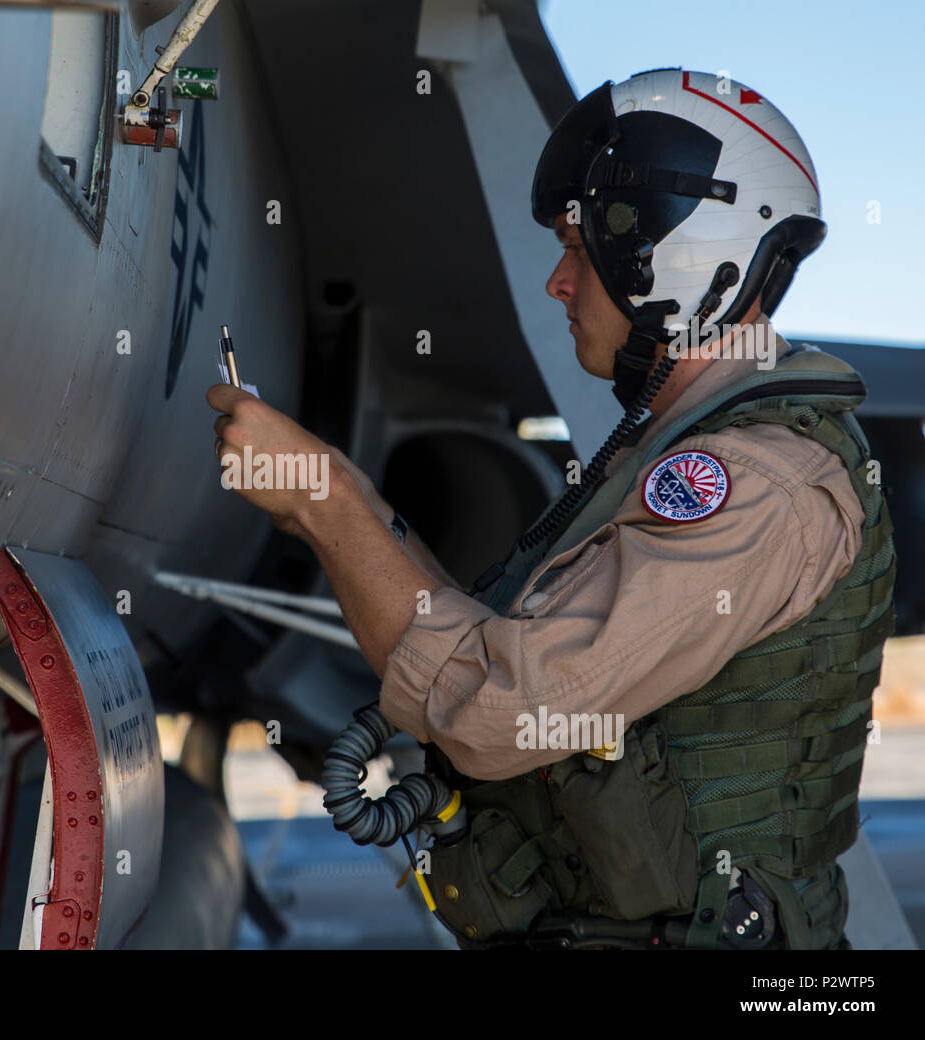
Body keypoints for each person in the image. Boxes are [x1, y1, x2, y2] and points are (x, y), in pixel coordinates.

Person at [205, 69, 894, 949]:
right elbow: (488, 641)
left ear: (672, 258)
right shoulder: (678, 453)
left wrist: (330, 505)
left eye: (579, 249)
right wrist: (337, 492)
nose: (558, 285)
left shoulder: (756, 483)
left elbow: (505, 713)